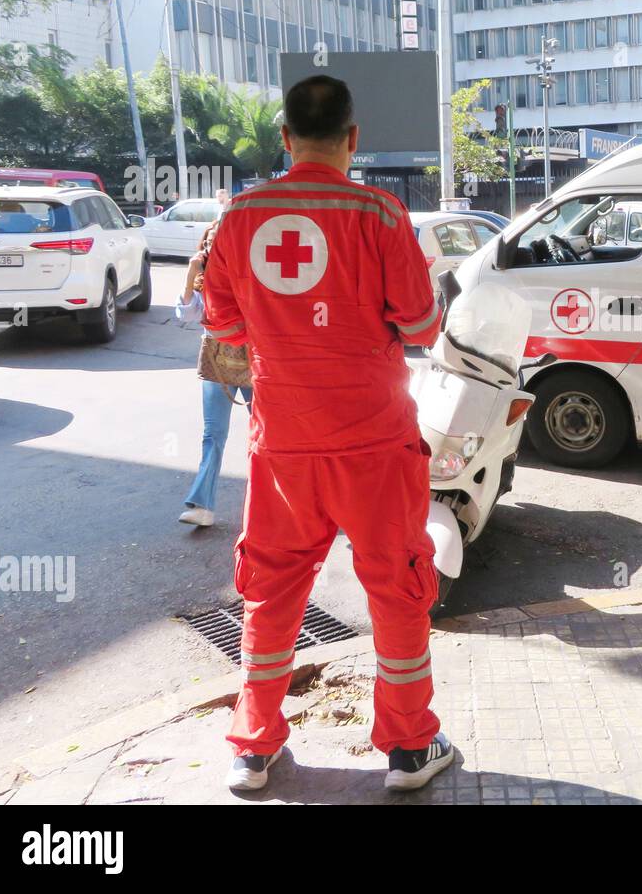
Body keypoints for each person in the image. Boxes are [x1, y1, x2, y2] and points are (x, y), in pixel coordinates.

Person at [202, 75, 449, 793]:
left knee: (272, 592)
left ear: (284, 138)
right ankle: (408, 750)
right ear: (353, 138)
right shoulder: (380, 212)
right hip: (375, 441)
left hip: (283, 445)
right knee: (397, 587)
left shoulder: (241, 216)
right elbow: (423, 326)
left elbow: (222, 328)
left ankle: (252, 748)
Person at [177, 220, 252, 528]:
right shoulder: (203, 277)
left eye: (218, 241)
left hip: (252, 359)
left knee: (267, 434)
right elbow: (188, 314)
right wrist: (190, 275)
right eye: (208, 241)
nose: (211, 246)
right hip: (216, 360)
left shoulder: (249, 272)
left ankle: (274, 506)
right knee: (213, 434)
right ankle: (202, 504)